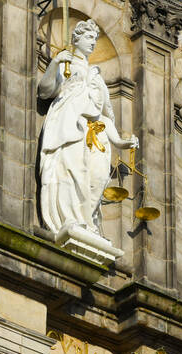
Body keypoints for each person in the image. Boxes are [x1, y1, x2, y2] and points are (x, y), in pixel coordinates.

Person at [37, 19, 137, 240]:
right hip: (69, 126)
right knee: (71, 171)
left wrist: (120, 142)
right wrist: (54, 63)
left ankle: (88, 220)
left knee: (98, 176)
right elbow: (45, 91)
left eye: (94, 38)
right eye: (89, 38)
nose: (93, 42)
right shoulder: (67, 63)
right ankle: (69, 218)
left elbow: (104, 113)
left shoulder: (97, 76)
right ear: (77, 39)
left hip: (93, 132)